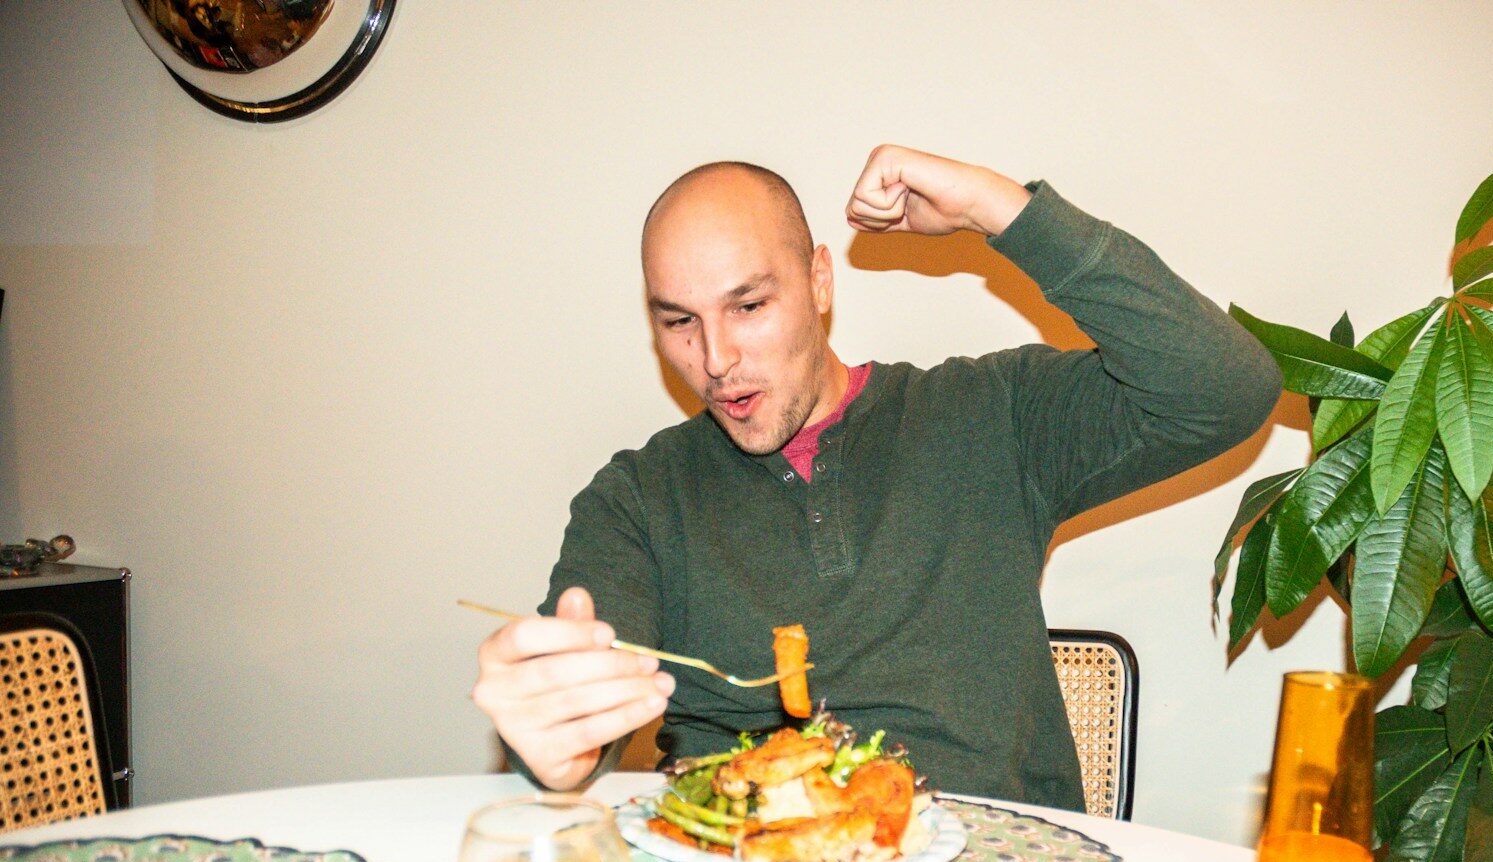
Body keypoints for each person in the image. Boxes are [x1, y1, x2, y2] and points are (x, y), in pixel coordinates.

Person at [471, 146, 1280, 809]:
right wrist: (558, 735)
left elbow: (1227, 388)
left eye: (748, 306)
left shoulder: (991, 414)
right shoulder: (639, 499)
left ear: (821, 282)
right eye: (679, 321)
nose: (715, 362)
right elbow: (575, 708)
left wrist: (1000, 210)